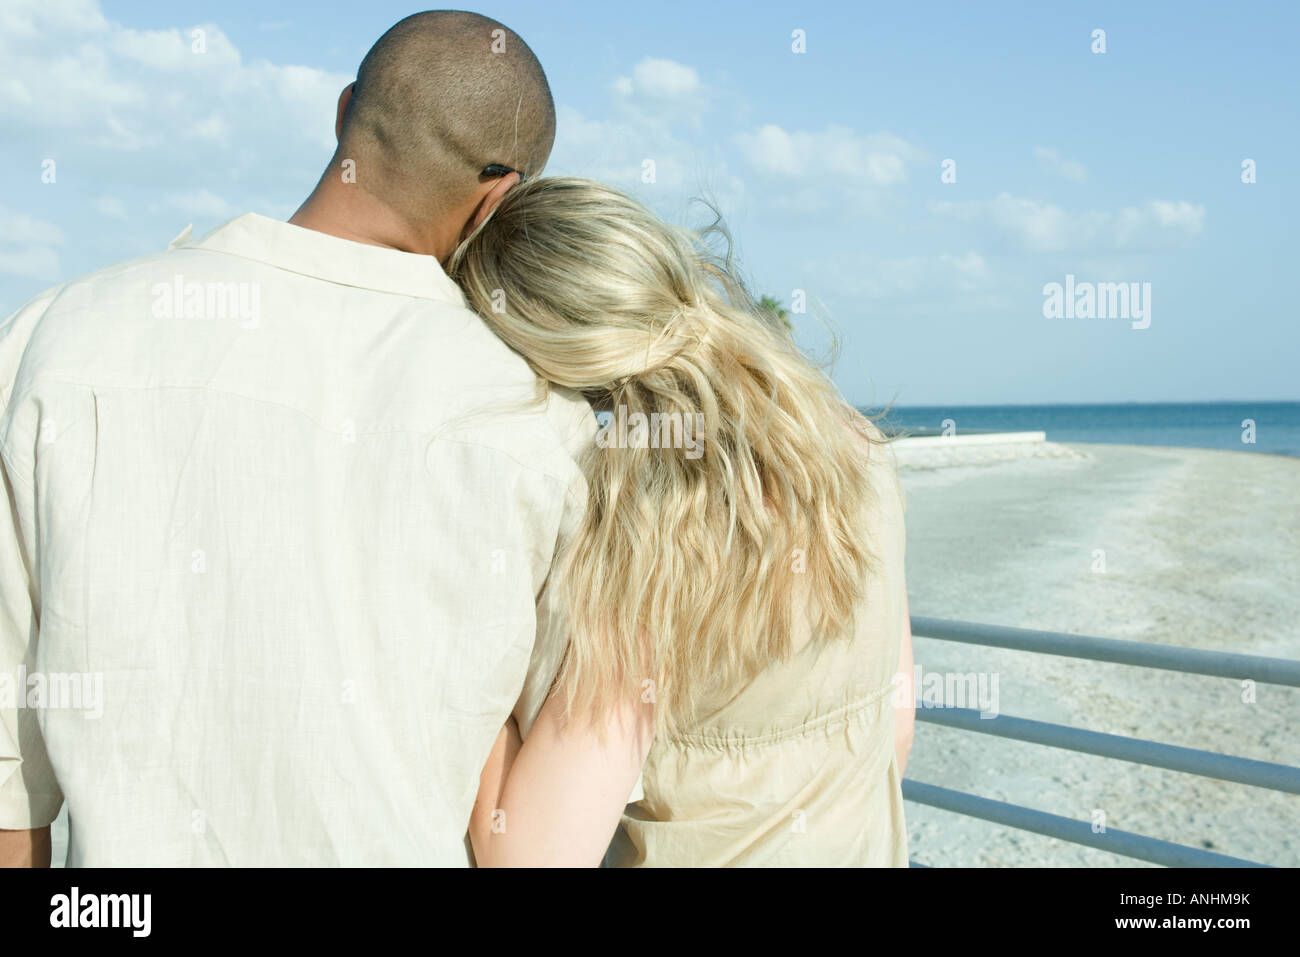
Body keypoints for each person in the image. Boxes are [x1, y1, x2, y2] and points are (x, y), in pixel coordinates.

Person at [0, 10, 592, 866]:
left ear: (343, 110)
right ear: (502, 198)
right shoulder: (541, 418)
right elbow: (541, 808)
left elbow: (9, 785)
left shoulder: (55, 339)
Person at [453, 177, 916, 867]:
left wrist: (469, 675)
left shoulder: (650, 527)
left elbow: (531, 854)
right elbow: (895, 717)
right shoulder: (852, 446)